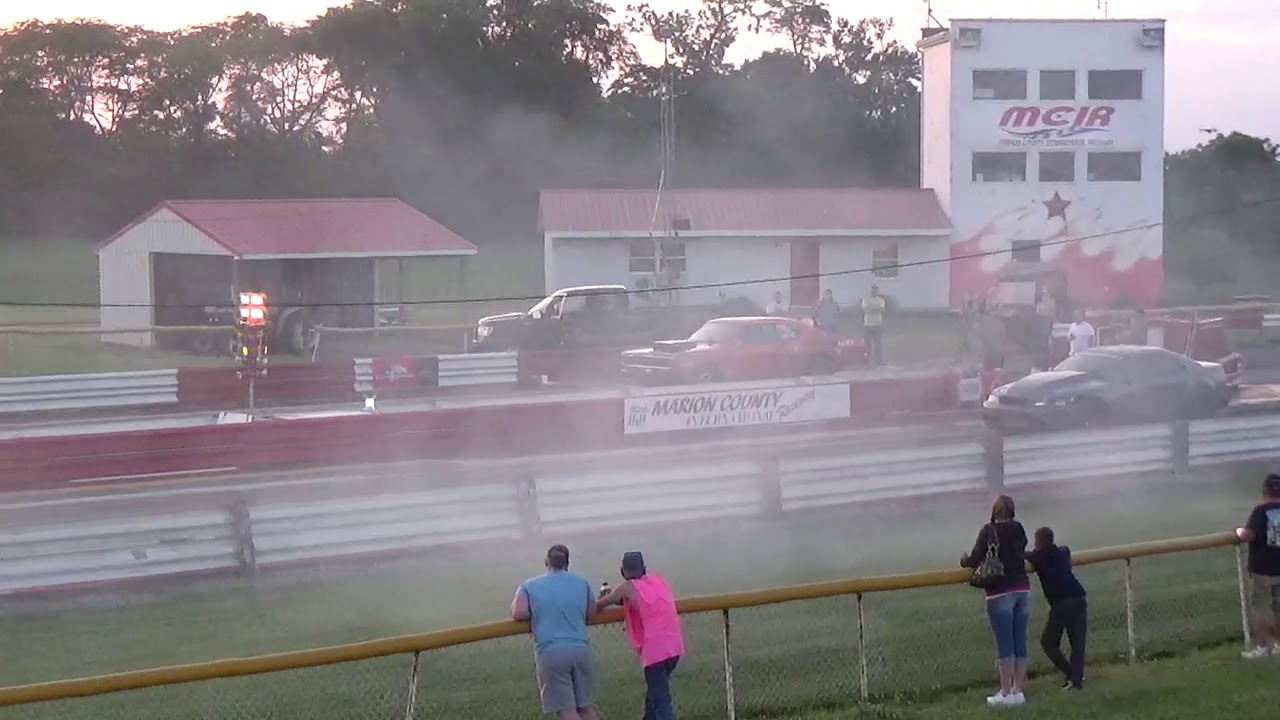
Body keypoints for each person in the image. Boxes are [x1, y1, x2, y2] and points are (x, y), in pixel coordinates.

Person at [511, 544, 602, 720]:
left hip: (551, 651)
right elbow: (591, 613)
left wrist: (539, 613)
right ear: (567, 563)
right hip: (580, 648)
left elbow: (518, 612)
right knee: (584, 707)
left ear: (547, 562)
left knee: (566, 709)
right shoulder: (581, 582)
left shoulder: (529, 585)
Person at [961, 495, 1031, 708]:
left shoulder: (988, 531)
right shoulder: (1018, 528)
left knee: (1005, 644)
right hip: (1023, 589)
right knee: (1020, 641)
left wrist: (964, 560)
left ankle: (1005, 692)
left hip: (1000, 591)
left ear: (995, 510)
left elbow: (974, 559)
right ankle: (1018, 691)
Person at [597, 551, 685, 720]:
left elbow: (601, 604)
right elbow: (641, 599)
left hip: (655, 652)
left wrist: (602, 599)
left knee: (661, 703)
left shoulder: (627, 587)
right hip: (674, 648)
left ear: (622, 571)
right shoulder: (658, 581)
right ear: (644, 568)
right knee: (654, 696)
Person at [1027, 527, 1088, 690]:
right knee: (1077, 644)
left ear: (1039, 541)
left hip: (1062, 603)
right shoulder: (1062, 552)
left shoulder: (1038, 557)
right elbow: (1065, 548)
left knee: (1048, 642)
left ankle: (1071, 674)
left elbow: (1023, 556)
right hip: (1079, 598)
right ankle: (1077, 679)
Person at [1235, 473, 1280, 659]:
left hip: (1262, 569)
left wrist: (1238, 531)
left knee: (1261, 608)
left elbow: (1248, 535)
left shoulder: (1260, 511)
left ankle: (1262, 647)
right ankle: (1278, 645)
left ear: (1265, 491)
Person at [975, 302, 1008, 372]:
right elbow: (1004, 340)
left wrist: (979, 355)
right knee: (997, 374)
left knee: (988, 373)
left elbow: (980, 341)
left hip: (988, 354)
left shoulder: (981, 323)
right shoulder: (1000, 323)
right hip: (999, 354)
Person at [862, 285, 886, 367]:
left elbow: (881, 309)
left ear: (878, 291)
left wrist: (872, 309)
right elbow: (866, 310)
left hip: (877, 324)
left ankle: (879, 361)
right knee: (867, 345)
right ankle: (867, 361)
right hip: (867, 325)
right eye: (873, 290)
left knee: (878, 344)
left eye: (876, 290)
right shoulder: (866, 299)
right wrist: (876, 309)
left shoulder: (881, 300)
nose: (874, 292)